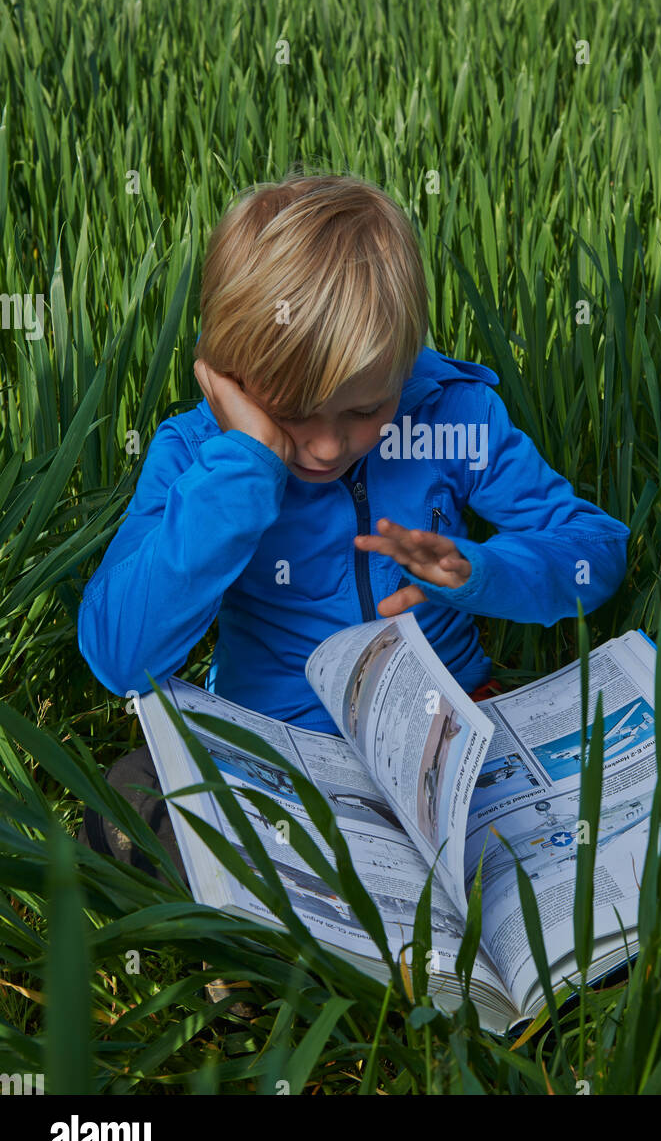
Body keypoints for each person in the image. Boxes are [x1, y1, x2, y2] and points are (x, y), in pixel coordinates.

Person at [76, 168, 630, 881]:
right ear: (230, 379)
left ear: (404, 365)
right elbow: (121, 656)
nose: (328, 447)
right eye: (289, 415)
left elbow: (593, 553)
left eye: (365, 410)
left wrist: (477, 570)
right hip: (279, 745)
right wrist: (245, 467)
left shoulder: (450, 414)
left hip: (449, 726)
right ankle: (276, 950)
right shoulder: (196, 455)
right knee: (130, 797)